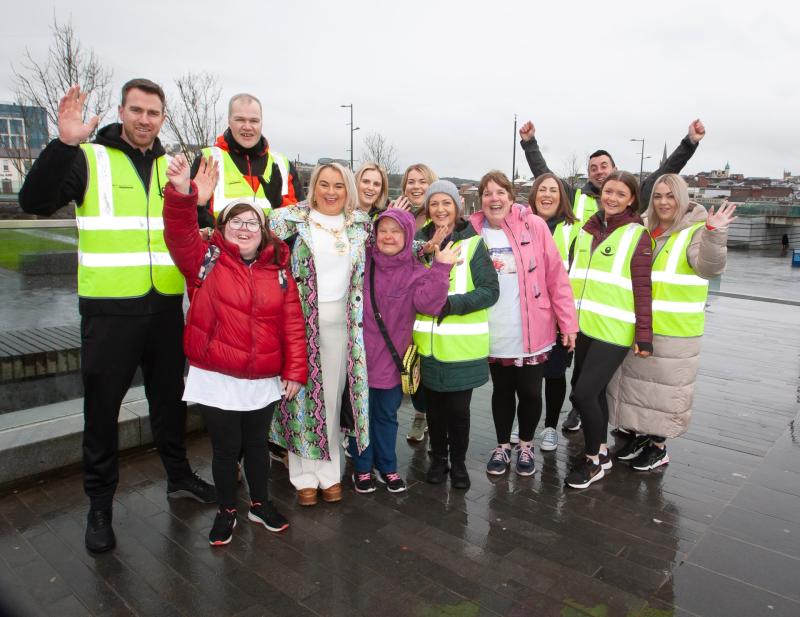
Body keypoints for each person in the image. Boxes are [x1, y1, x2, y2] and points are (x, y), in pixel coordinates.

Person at [18, 82, 215, 553]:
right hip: (110, 312)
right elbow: (34, 202)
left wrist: (199, 200)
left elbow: (186, 229)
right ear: (122, 111)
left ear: (163, 118)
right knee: (102, 411)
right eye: (137, 110)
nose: (145, 119)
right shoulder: (89, 158)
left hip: (166, 307)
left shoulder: (174, 168)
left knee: (170, 402)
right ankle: (100, 505)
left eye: (154, 112)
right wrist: (64, 142)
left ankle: (178, 476)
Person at [519, 118, 705, 431]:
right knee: (580, 373)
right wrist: (529, 144)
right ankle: (586, 414)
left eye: (604, 165)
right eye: (593, 167)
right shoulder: (576, 198)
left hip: (614, 312)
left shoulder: (632, 202)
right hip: (581, 305)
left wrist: (689, 143)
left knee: (597, 381)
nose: (598, 170)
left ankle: (597, 427)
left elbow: (664, 175)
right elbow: (543, 177)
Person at [162, 155, 307, 544]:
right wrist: (185, 197)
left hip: (261, 376)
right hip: (217, 376)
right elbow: (178, 233)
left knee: (258, 447)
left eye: (253, 223)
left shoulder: (278, 268)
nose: (245, 229)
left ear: (264, 231)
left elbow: (292, 322)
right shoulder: (203, 259)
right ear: (223, 228)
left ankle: (259, 505)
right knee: (226, 450)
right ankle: (228, 509)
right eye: (236, 222)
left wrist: (295, 370)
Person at [608, 175, 735, 470]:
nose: (663, 202)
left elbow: (708, 267)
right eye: (657, 196)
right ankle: (642, 438)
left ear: (682, 198)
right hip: (641, 326)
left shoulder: (694, 232)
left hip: (675, 331)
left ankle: (659, 447)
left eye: (670, 196)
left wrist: (715, 234)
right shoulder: (644, 230)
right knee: (641, 391)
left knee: (664, 395)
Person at [269, 162, 371, 505]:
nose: (331, 192)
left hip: (341, 323)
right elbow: (247, 230)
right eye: (323, 184)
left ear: (349, 190)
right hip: (299, 322)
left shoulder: (360, 224)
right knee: (298, 400)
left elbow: (394, 249)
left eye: (339, 186)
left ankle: (329, 473)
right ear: (313, 187)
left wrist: (425, 249)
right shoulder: (290, 221)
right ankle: (302, 476)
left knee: (330, 400)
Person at [468, 171, 578, 477]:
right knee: (502, 390)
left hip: (533, 326)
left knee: (530, 391)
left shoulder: (535, 225)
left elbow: (557, 277)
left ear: (511, 196)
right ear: (481, 199)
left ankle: (526, 445)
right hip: (494, 327)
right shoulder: (472, 231)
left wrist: (568, 323)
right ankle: (503, 445)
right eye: (487, 193)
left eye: (500, 192)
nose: (494, 199)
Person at [349, 209, 457, 493]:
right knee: (359, 418)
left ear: (408, 236)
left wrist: (441, 269)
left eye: (396, 231)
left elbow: (430, 305)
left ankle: (387, 467)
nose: (388, 236)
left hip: (391, 361)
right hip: (357, 360)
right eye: (383, 230)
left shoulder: (415, 269)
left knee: (386, 416)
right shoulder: (361, 260)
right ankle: (362, 467)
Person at [565, 171, 653, 489]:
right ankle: (600, 451)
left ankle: (592, 463)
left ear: (631, 200)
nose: (612, 198)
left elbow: (643, 289)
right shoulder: (585, 233)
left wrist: (644, 335)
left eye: (620, 194)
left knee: (583, 393)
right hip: (584, 327)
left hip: (614, 330)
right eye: (608, 191)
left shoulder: (636, 235)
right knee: (594, 392)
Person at [413, 180, 499, 489]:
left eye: (446, 203)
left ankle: (459, 463)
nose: (439, 209)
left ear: (457, 207)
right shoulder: (419, 246)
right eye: (434, 204)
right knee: (434, 411)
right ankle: (439, 460)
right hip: (429, 348)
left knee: (459, 412)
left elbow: (490, 291)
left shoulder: (473, 244)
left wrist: (451, 305)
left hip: (462, 348)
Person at [194, 93, 304, 229]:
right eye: (240, 119)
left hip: (273, 250)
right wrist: (198, 207)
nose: (247, 126)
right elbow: (192, 222)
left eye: (254, 121)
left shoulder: (282, 164)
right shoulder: (207, 160)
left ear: (261, 122)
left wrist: (279, 202)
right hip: (221, 249)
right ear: (229, 121)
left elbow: (300, 222)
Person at [528, 173, 580, 451]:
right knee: (528, 377)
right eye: (542, 190)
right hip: (528, 314)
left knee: (555, 374)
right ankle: (526, 423)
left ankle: (549, 427)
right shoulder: (521, 224)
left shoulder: (574, 229)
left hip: (558, 316)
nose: (547, 195)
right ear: (534, 194)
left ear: (562, 197)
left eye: (554, 190)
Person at [397, 163, 439, 443]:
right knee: (410, 363)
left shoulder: (440, 216)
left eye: (422, 181)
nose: (415, 186)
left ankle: (431, 415)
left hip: (432, 302)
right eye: (410, 181)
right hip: (403, 304)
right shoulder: (399, 218)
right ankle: (420, 411)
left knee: (431, 362)